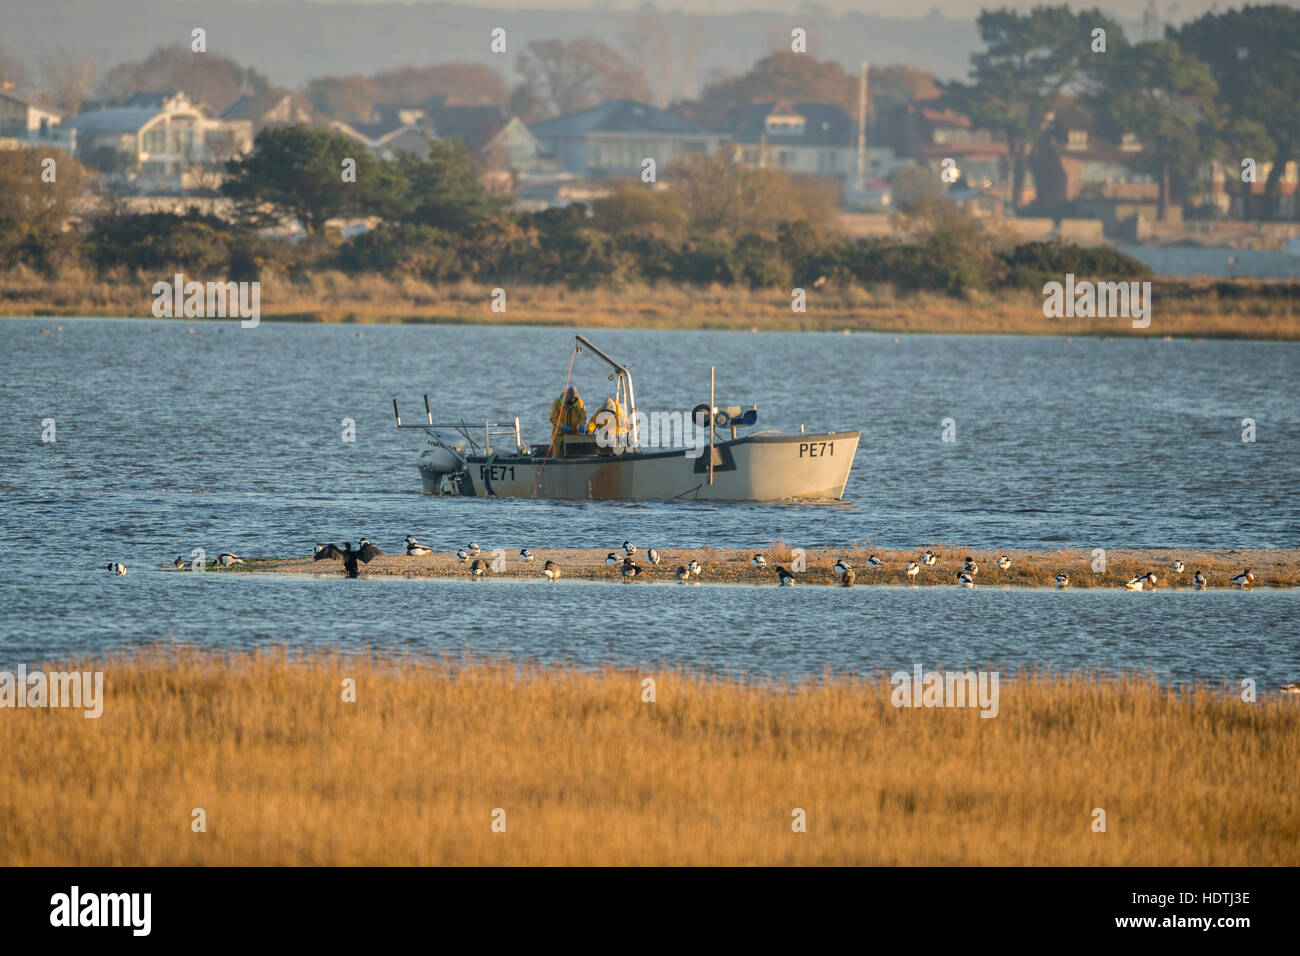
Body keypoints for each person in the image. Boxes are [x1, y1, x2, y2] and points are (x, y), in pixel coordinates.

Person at [549, 386, 586, 455]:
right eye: (571, 399)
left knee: (575, 454)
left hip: (574, 434)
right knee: (557, 454)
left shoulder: (580, 404)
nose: (573, 400)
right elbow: (553, 418)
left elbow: (583, 417)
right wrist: (562, 426)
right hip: (559, 434)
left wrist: (581, 425)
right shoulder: (558, 403)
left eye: (575, 399)